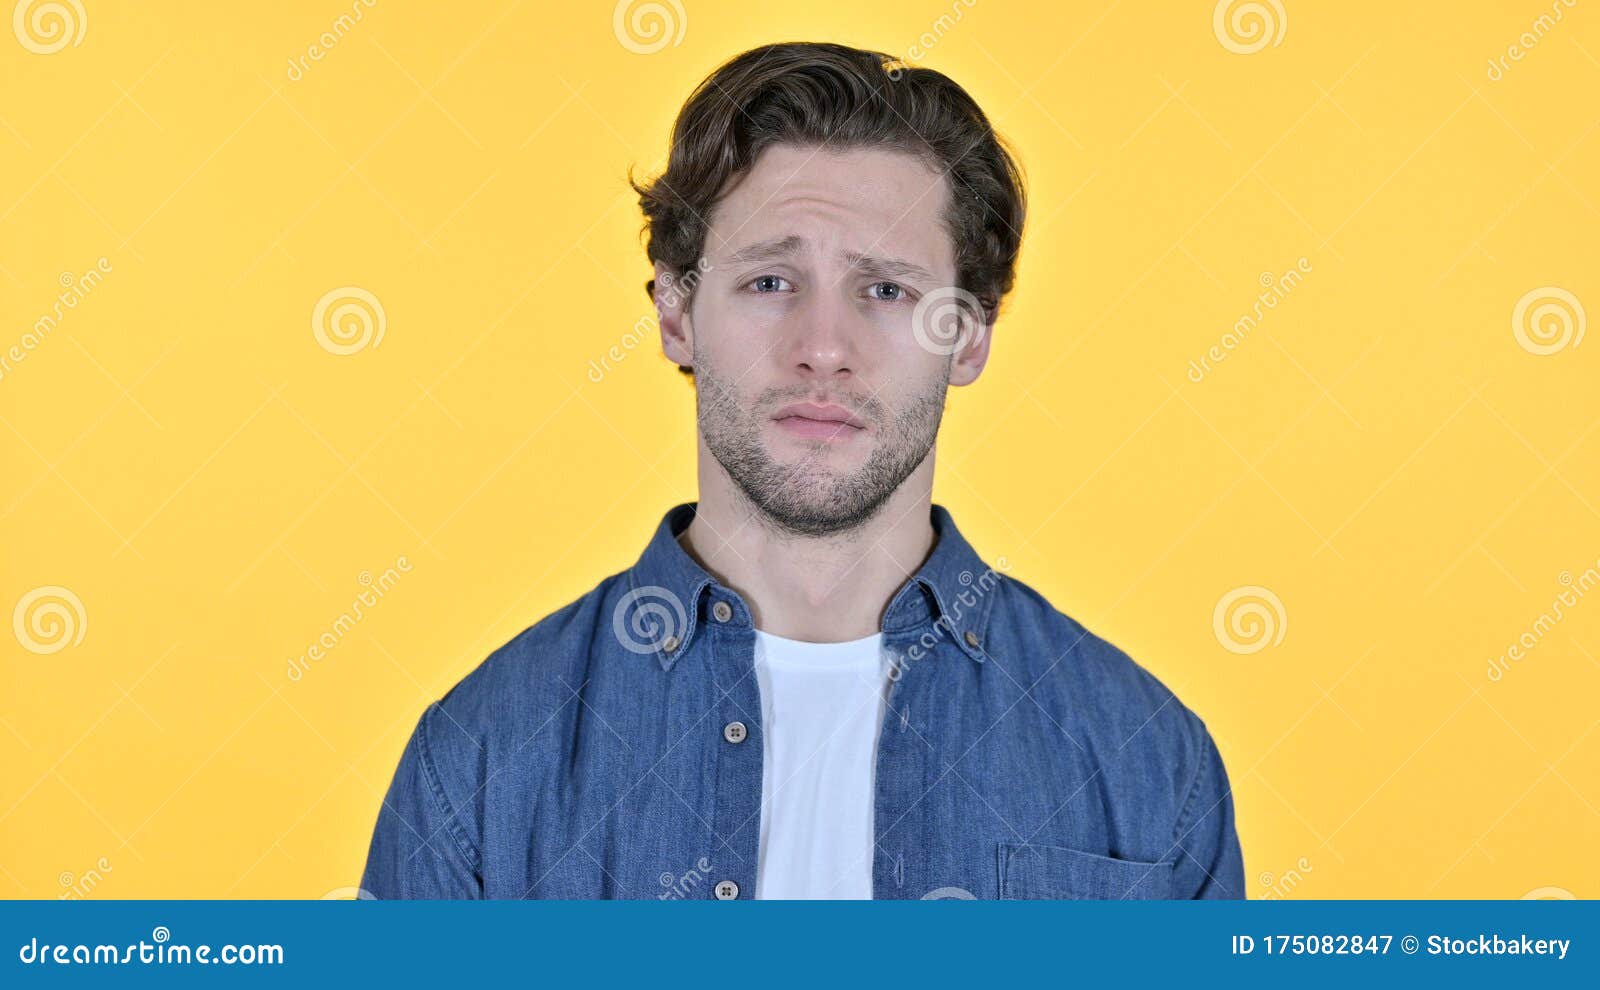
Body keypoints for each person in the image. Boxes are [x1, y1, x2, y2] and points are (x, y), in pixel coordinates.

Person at [361, 41, 1244, 900]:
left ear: (969, 335)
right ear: (676, 315)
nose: (823, 349)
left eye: (888, 290)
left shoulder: (1148, 760)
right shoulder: (480, 758)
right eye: (772, 282)